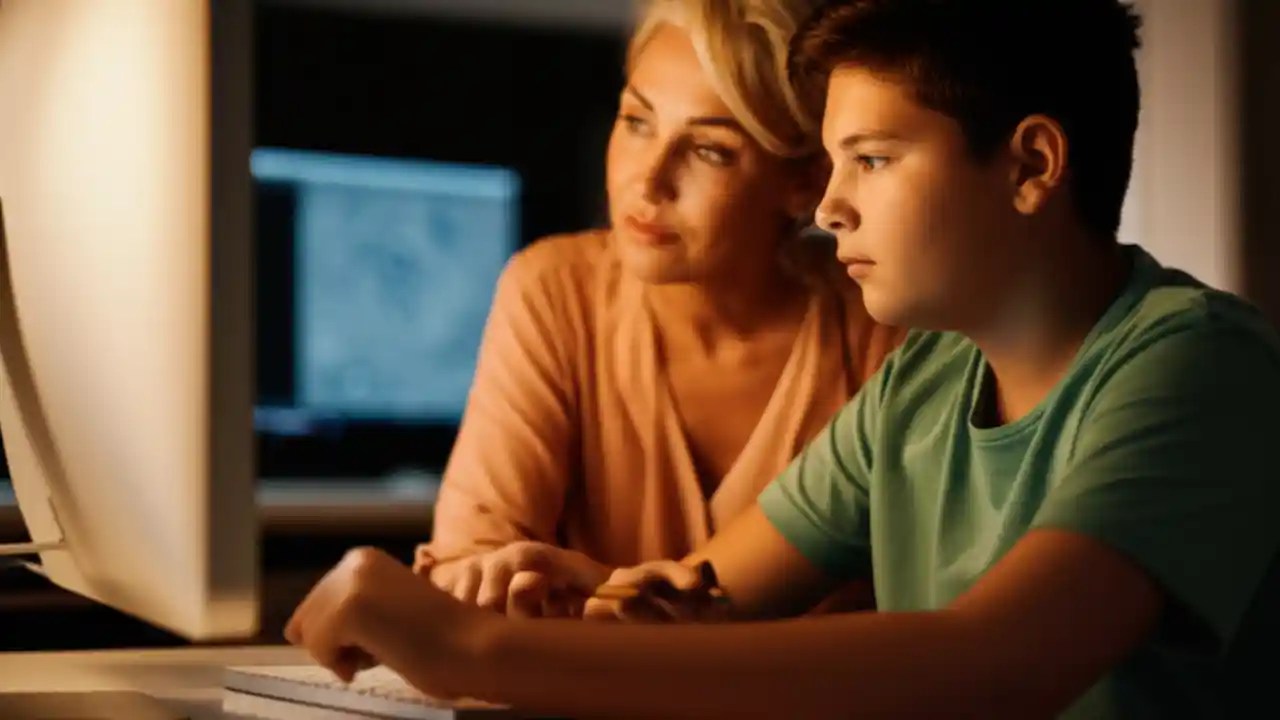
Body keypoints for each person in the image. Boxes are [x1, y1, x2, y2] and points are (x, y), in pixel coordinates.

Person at [285, 1, 1280, 717]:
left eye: (872, 160)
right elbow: (702, 601)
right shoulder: (922, 381)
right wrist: (591, 593)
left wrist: (475, 648)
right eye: (834, 163)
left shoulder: (1196, 365)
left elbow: (999, 663)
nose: (831, 205)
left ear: (1030, 165)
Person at [414, 0, 902, 617]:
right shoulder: (558, 291)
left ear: (806, 182)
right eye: (637, 121)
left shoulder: (885, 327)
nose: (647, 181)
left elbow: (912, 618)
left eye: (709, 150)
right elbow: (470, 569)